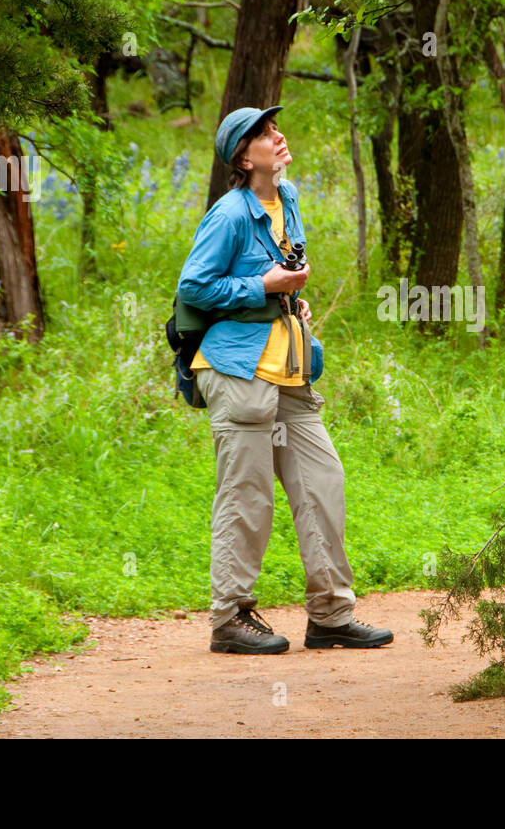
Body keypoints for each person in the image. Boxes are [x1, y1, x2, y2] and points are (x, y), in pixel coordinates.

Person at [177, 105, 393, 654]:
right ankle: (229, 619)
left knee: (324, 483)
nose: (276, 136)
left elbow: (281, 274)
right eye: (262, 134)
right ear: (243, 157)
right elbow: (195, 288)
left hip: (288, 369)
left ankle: (329, 615)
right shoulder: (228, 214)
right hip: (237, 370)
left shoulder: (288, 198)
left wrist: (290, 300)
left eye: (275, 128)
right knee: (247, 498)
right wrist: (261, 287)